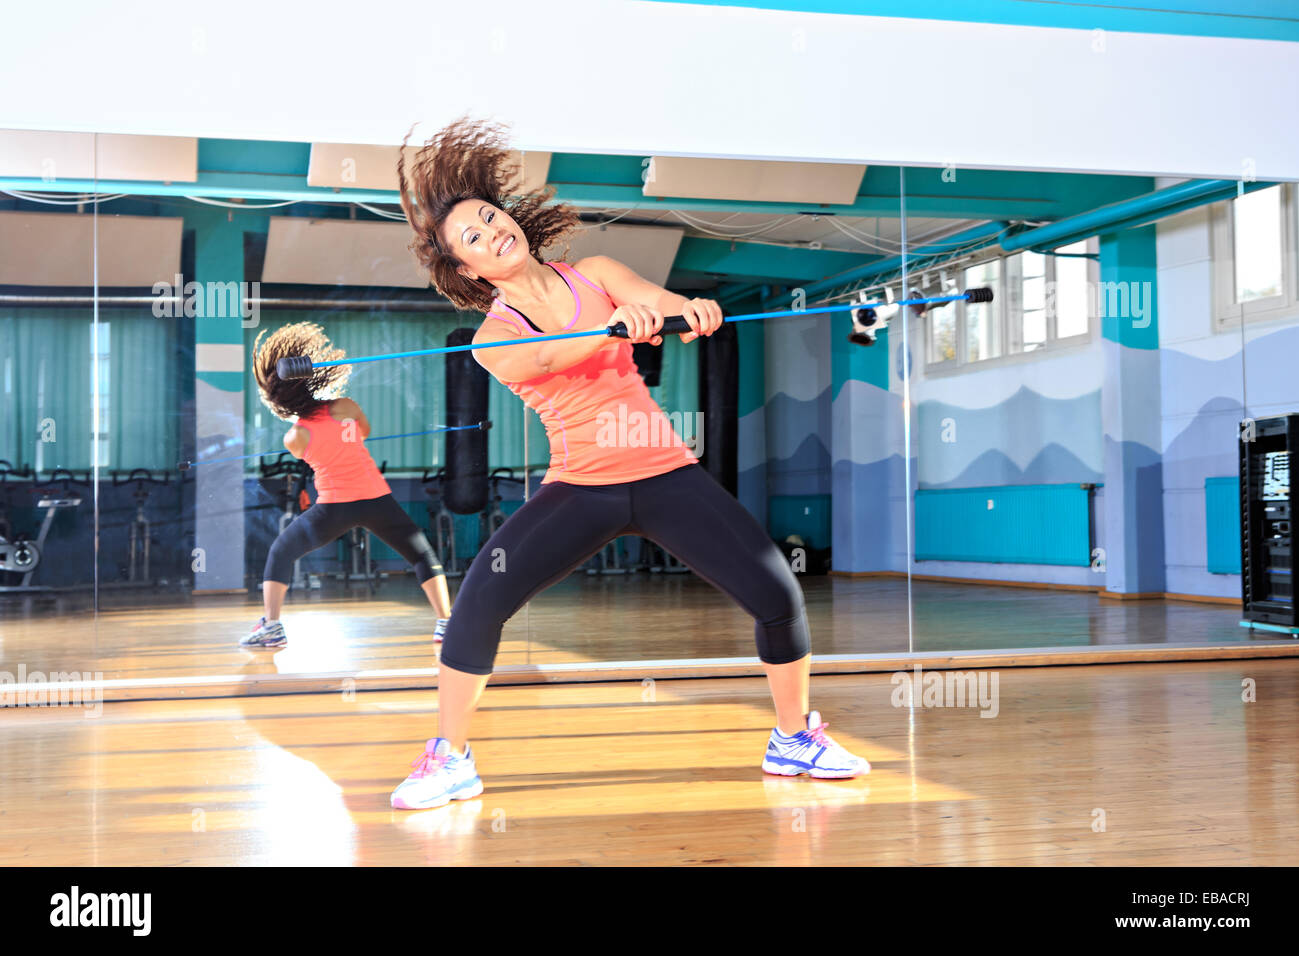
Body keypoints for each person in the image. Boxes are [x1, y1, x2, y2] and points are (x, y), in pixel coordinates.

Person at [388, 116, 868, 810]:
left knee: (778, 595)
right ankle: (450, 758)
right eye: (473, 237)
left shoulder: (598, 275)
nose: (493, 232)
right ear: (467, 269)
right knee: (477, 604)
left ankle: (793, 738)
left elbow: (665, 305)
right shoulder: (492, 339)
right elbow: (551, 358)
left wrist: (692, 311)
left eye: (491, 217)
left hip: (667, 474)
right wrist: (612, 328)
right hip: (582, 488)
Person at [245, 321, 453, 648]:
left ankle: (271, 626)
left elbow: (313, 451)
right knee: (422, 555)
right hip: (376, 500)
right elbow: (363, 432)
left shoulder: (294, 437)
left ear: (280, 400)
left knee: (281, 552)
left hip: (333, 508)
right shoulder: (346, 407)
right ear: (310, 380)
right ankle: (446, 624)